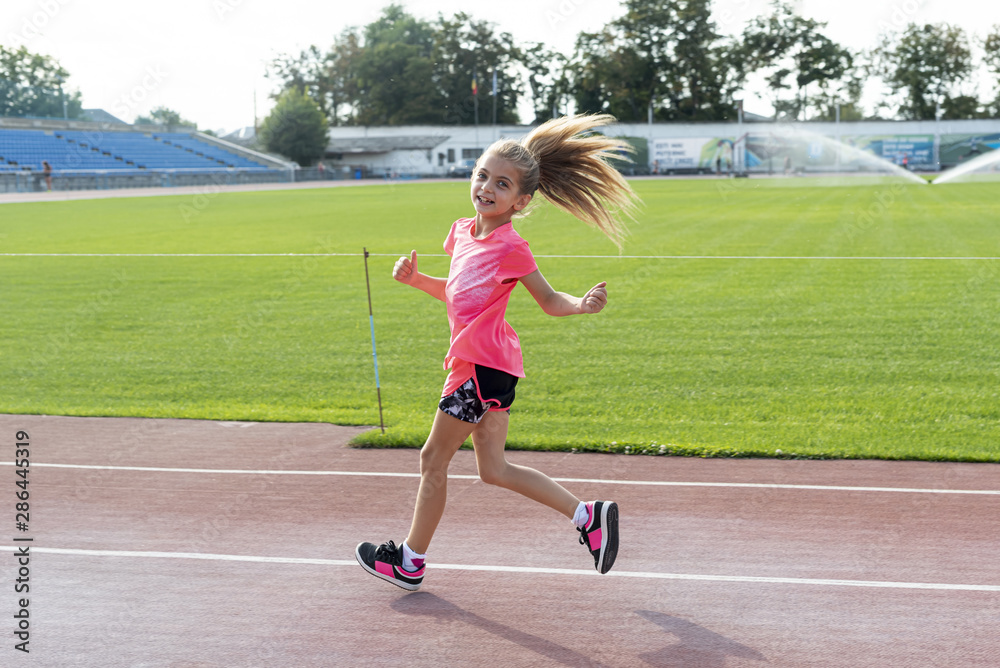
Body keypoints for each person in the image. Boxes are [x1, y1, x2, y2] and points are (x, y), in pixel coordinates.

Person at [355, 114, 640, 591]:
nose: (487, 187)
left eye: (501, 183)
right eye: (481, 175)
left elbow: (549, 301)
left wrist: (581, 305)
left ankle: (409, 561)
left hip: (479, 369)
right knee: (494, 469)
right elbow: (460, 291)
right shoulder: (462, 232)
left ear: (521, 201)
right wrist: (416, 280)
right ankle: (587, 515)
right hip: (491, 370)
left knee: (433, 459)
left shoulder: (513, 247)